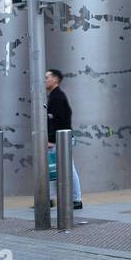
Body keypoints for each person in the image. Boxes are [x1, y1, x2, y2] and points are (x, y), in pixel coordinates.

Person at [45, 69, 82, 210]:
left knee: (68, 168)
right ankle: (50, 199)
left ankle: (76, 199)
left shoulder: (57, 97)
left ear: (56, 79)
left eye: (47, 77)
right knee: (52, 169)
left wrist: (53, 140)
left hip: (61, 139)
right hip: (59, 138)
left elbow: (61, 121)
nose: (45, 80)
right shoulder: (54, 96)